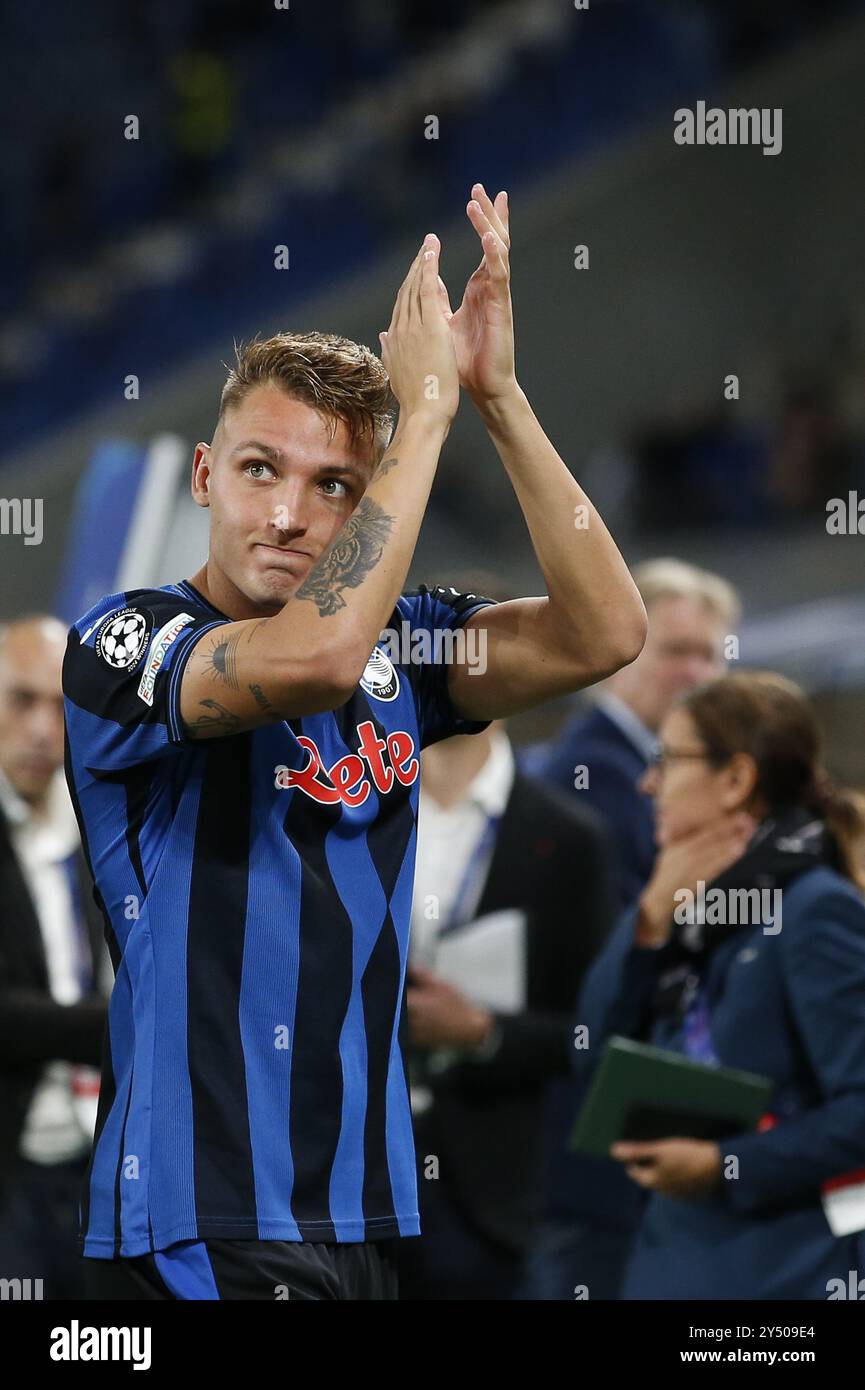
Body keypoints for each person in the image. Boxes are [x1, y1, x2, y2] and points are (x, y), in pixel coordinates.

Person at [62, 184, 647, 1300]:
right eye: (258, 470)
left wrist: (498, 398)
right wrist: (416, 423)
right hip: (203, 1210)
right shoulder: (127, 641)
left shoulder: (405, 650)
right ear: (201, 476)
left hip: (368, 1208)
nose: (286, 515)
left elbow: (607, 630)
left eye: (334, 485)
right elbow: (308, 661)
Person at [580, 671, 865, 1300]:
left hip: (786, 1274)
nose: (646, 783)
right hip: (676, 1259)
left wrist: (724, 1166)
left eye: (666, 760)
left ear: (735, 780)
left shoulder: (815, 909)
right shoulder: (680, 915)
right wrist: (650, 918)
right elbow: (590, 1062)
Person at [520, 557, 740, 1300]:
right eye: (675, 650)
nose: (696, 672)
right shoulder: (592, 781)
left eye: (710, 653)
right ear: (620, 648)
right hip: (596, 1142)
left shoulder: (649, 775)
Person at [398, 717, 614, 1300]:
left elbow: (593, 1036)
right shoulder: (348, 810)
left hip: (487, 1192)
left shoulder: (567, 837)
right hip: (349, 1180)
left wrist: (483, 1033)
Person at [0, 617, 108, 1300]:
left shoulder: (95, 832)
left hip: (93, 1172)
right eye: (21, 701)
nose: (44, 730)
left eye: (62, 707)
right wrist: (124, 1027)